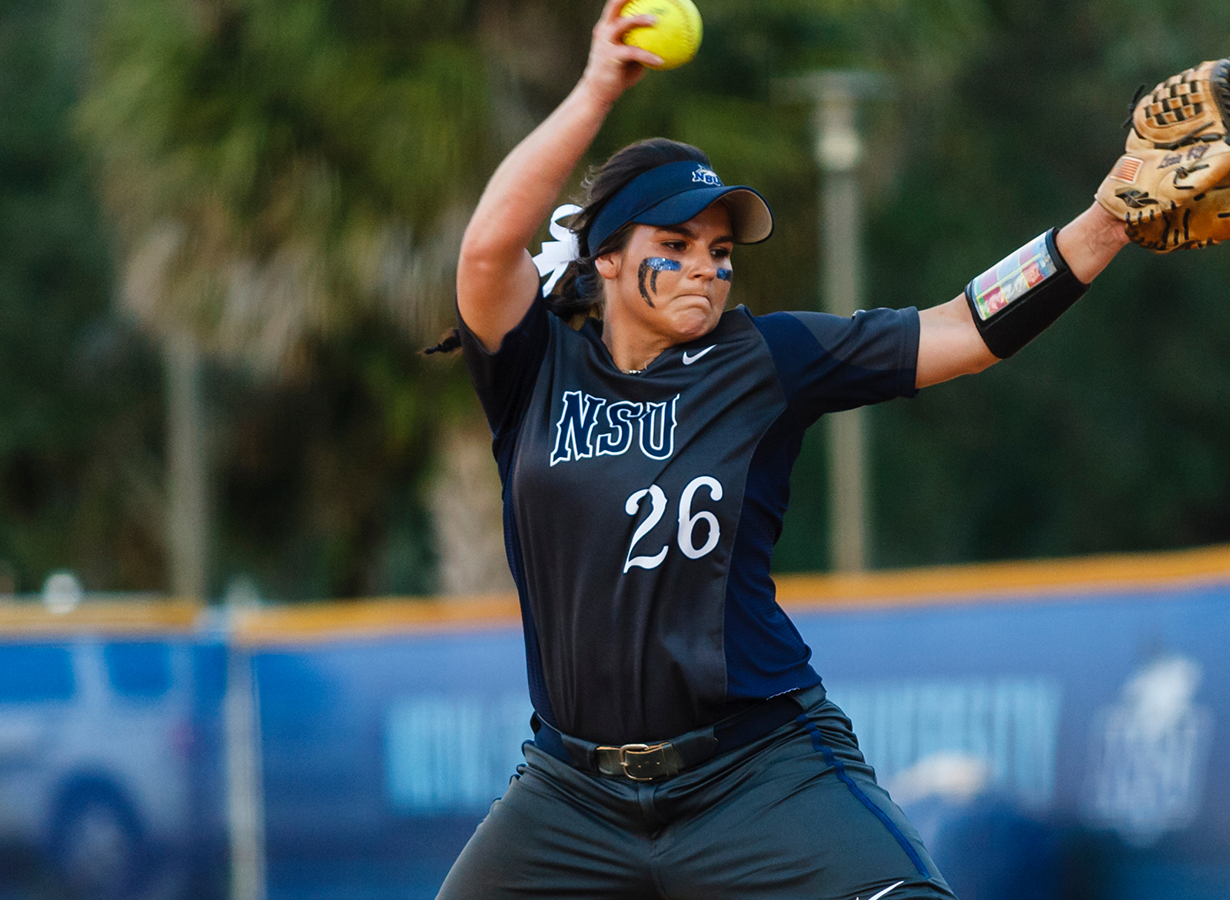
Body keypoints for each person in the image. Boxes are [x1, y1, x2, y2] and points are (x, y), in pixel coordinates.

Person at [433, 2, 1147, 898]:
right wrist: (595, 88)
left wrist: (1104, 225)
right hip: (572, 794)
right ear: (605, 258)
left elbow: (962, 329)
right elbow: (490, 247)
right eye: (676, 243)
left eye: (721, 249)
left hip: (754, 771)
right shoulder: (536, 367)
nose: (708, 266)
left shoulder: (761, 359)